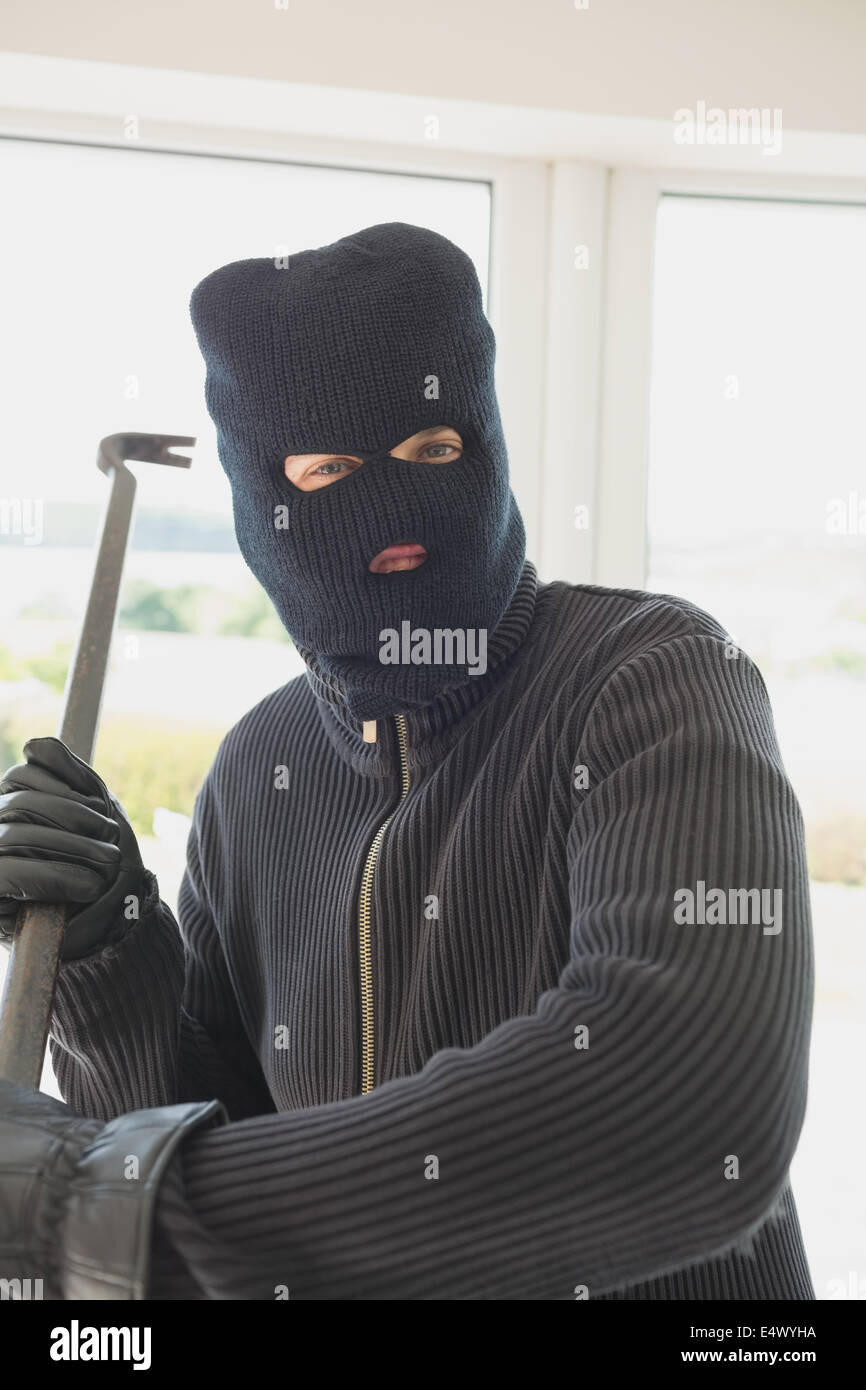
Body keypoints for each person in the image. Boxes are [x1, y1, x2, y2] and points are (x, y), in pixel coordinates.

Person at [0, 222, 814, 1300]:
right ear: (260, 501)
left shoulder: (649, 675)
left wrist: (94, 1201)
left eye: (430, 450)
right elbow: (207, 1161)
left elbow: (686, 1098)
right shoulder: (260, 767)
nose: (388, 506)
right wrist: (111, 955)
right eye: (328, 468)